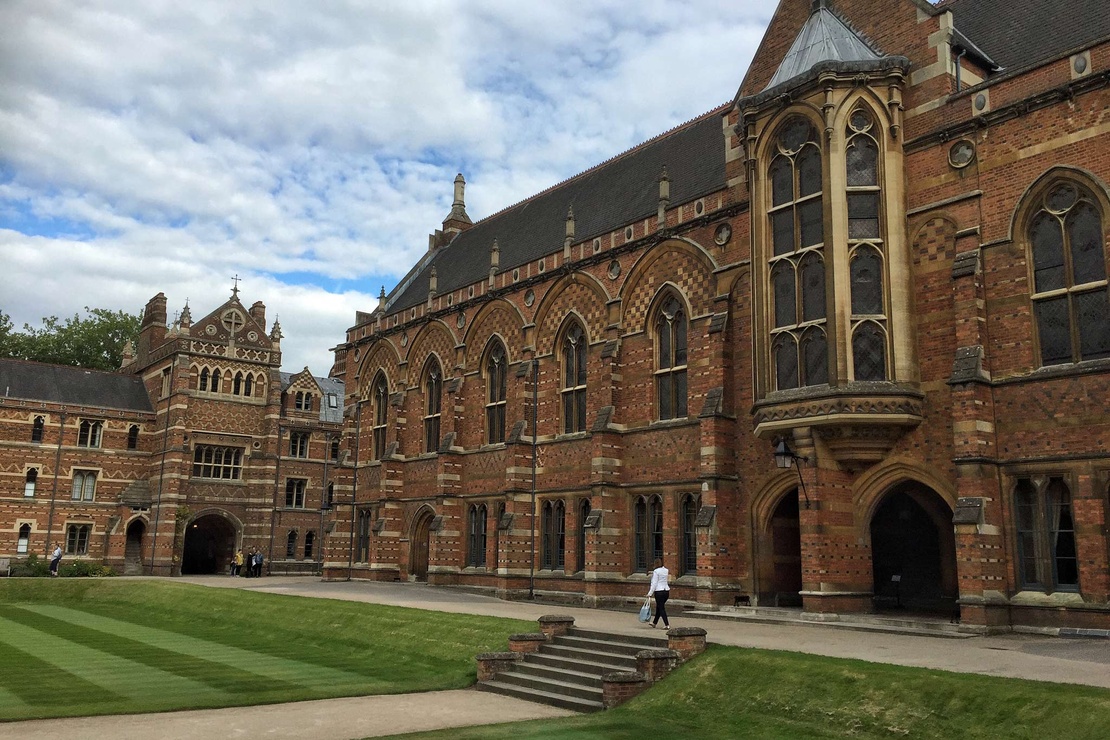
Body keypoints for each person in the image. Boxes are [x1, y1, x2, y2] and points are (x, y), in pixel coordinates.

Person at [647, 557, 670, 629]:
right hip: (666, 591)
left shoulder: (656, 571)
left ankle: (667, 624)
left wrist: (649, 593)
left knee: (661, 608)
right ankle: (654, 622)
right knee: (659, 607)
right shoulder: (666, 570)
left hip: (659, 591)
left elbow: (654, 583)